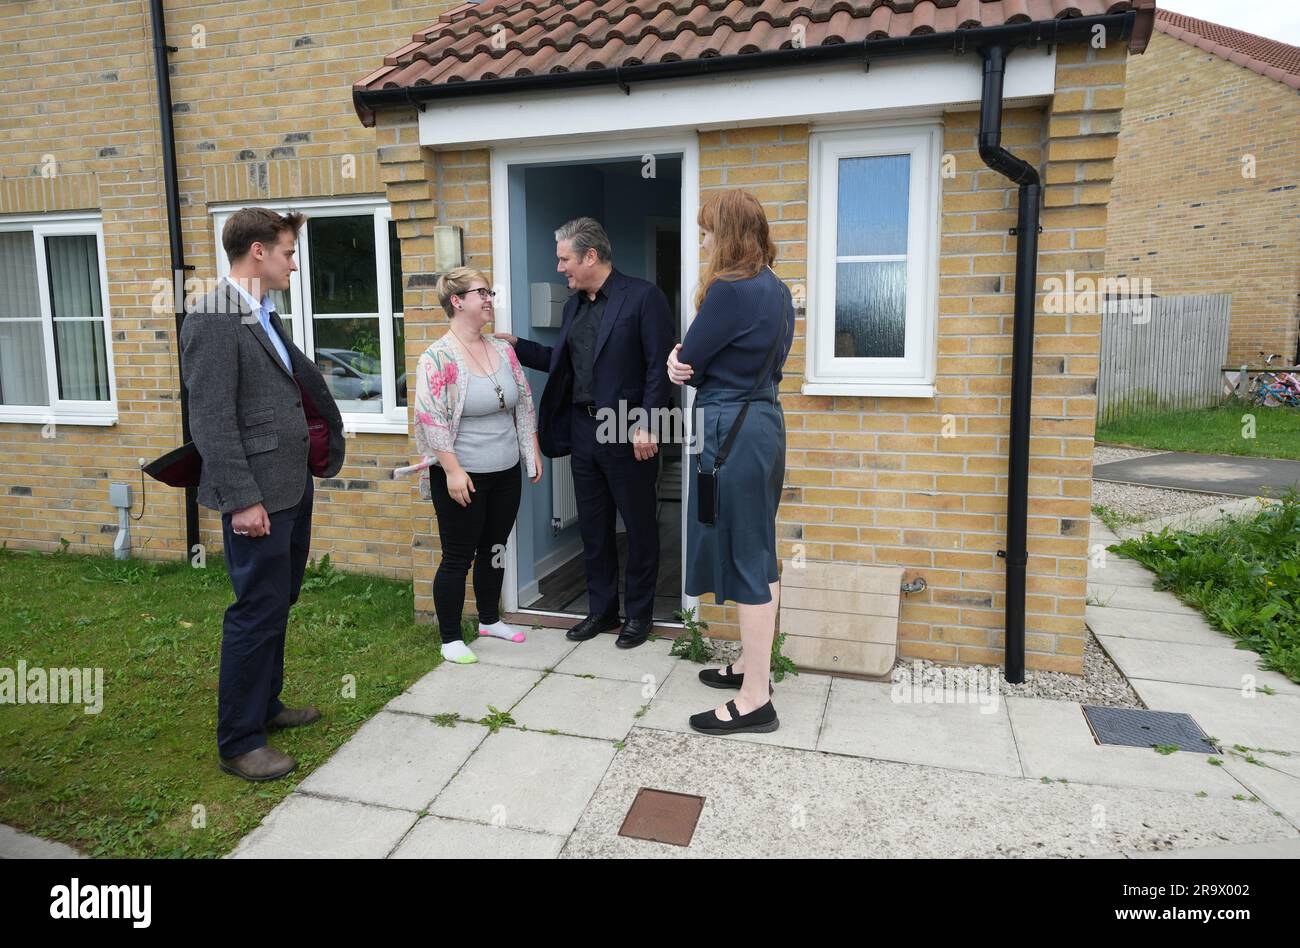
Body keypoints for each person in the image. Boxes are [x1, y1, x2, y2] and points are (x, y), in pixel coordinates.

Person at [181, 206, 346, 781]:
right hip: (256, 496)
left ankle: (266, 705)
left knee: (281, 599)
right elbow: (211, 421)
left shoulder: (261, 314)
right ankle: (240, 740)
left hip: (288, 487)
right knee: (255, 610)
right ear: (257, 252)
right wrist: (242, 499)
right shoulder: (214, 318)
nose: (293, 263)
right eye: (288, 252)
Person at [495, 217, 674, 649]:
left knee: (638, 526)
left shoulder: (644, 298)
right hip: (583, 429)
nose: (560, 268)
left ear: (590, 256)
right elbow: (564, 360)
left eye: (564, 259)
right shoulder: (575, 305)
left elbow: (658, 367)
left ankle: (639, 615)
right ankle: (601, 610)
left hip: (627, 431)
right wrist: (518, 345)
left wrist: (649, 424)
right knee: (594, 529)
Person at [667, 190, 794, 735]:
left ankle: (754, 698)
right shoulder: (778, 289)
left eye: (707, 231)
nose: (702, 241)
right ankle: (751, 665)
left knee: (745, 555)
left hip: (730, 430)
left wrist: (678, 362)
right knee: (759, 549)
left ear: (728, 235)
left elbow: (690, 359)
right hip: (763, 423)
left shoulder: (728, 291)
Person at [414, 267, 542, 665]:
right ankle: (450, 637)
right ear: (456, 301)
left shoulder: (502, 349)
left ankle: (489, 620)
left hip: (505, 472)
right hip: (461, 476)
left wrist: (530, 450)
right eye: (481, 292)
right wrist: (452, 471)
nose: (489, 299)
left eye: (489, 292)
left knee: (496, 547)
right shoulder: (436, 357)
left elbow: (522, 401)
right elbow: (430, 418)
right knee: (458, 554)